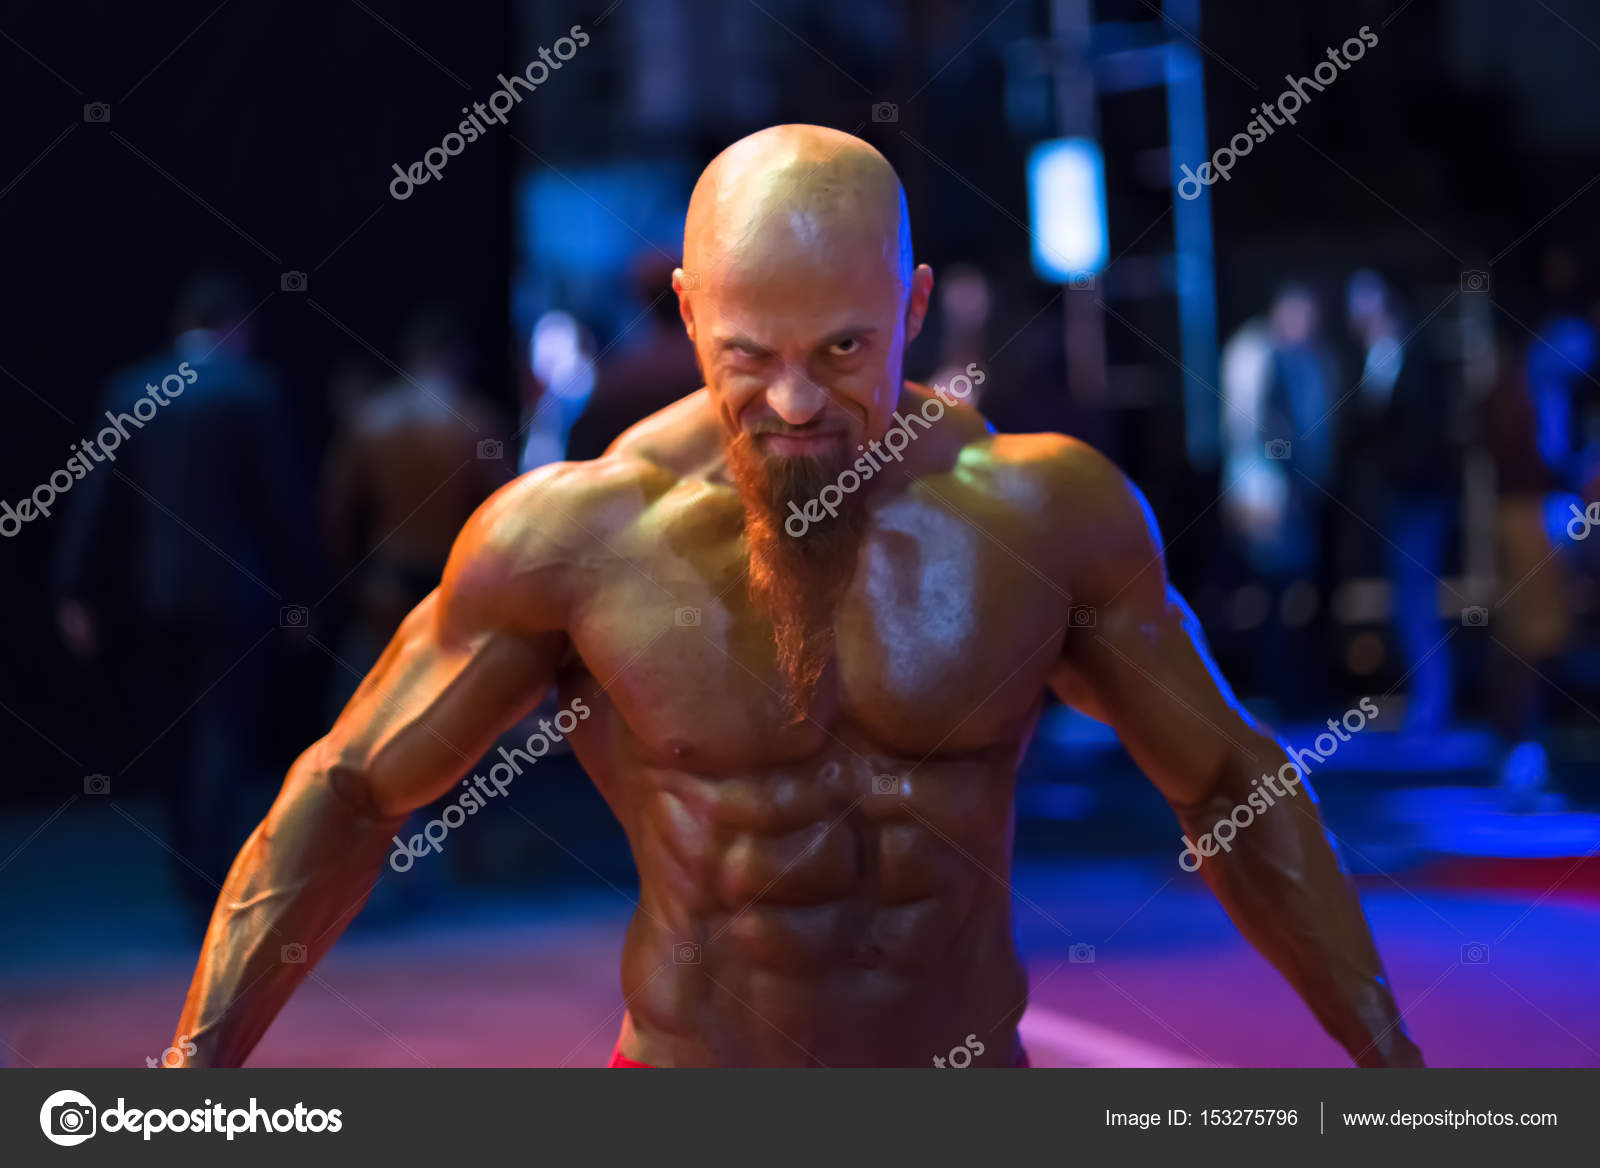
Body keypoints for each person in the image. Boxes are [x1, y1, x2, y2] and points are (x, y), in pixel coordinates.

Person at [170, 126, 1422, 1069]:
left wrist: (1392, 1069)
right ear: (687, 311)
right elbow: (348, 788)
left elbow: (1226, 784)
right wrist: (190, 1076)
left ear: (913, 307)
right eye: (746, 358)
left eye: (840, 349)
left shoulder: (1047, 516)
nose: (795, 404)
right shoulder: (576, 537)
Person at [56, 272, 310, 934]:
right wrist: (302, 595)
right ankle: (210, 878)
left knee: (171, 732)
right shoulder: (254, 390)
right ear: (236, 327)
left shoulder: (129, 390)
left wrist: (75, 590)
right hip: (237, 593)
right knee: (224, 732)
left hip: (155, 595)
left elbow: (94, 502)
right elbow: (284, 509)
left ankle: (184, 866)